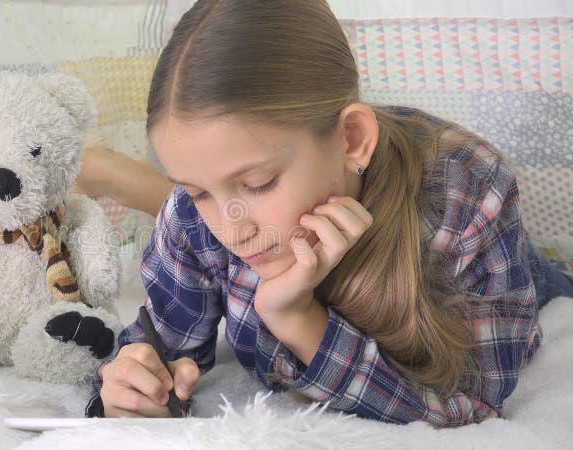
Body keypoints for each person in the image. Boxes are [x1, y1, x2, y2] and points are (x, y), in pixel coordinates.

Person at [76, 0, 573, 427]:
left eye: (257, 183)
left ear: (352, 139)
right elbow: (159, 348)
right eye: (197, 190)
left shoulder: (468, 195)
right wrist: (133, 386)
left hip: (513, 266)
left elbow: (475, 403)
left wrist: (299, 319)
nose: (232, 228)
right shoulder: (194, 216)